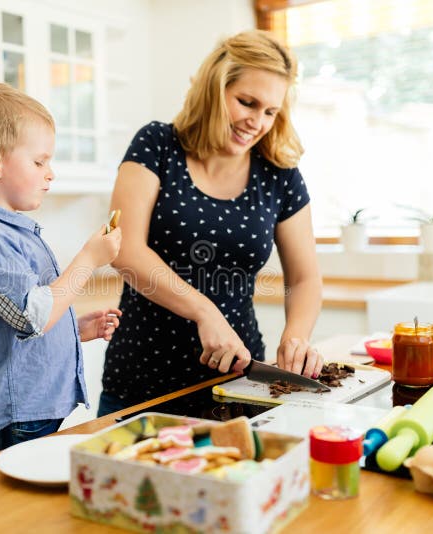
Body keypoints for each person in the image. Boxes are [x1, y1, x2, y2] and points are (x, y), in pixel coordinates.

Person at [99, 30, 323, 415]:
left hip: (239, 385)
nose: (257, 121)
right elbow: (125, 251)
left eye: (271, 112)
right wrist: (205, 311)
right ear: (213, 88)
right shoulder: (156, 145)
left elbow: (304, 278)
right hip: (142, 384)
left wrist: (296, 337)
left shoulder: (279, 175)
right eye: (247, 102)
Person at [0, 82, 122, 454]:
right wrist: (89, 259)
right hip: (20, 417)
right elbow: (29, 317)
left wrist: (74, 329)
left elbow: (27, 316)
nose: (50, 173)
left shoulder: (9, 232)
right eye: (39, 161)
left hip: (33, 411)